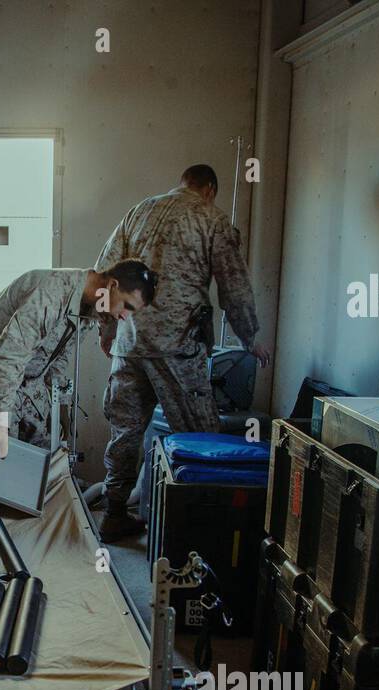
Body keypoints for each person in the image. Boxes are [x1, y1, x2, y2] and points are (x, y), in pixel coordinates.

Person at [94, 164, 271, 542]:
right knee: (201, 436)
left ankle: (112, 514)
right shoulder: (212, 218)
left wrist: (108, 330)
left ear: (184, 183)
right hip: (178, 346)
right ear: (210, 189)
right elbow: (233, 284)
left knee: (124, 432)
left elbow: (103, 273)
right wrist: (249, 337)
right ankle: (205, 528)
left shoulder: (139, 211)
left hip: (131, 343)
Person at [0, 260, 156, 448]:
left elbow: (56, 360)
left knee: (43, 451)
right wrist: (1, 427)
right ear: (111, 285)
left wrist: (60, 406)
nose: (125, 317)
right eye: (127, 306)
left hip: (22, 380)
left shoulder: (90, 308)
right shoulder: (52, 293)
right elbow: (5, 361)